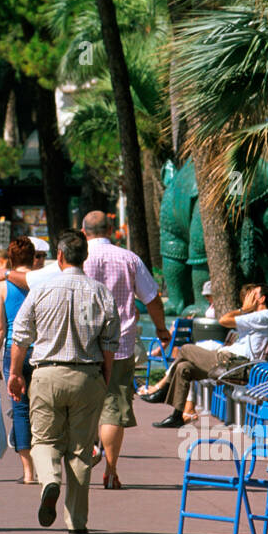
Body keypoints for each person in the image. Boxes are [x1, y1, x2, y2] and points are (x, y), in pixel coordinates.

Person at [7, 231, 117, 534]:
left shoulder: (42, 290)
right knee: (81, 450)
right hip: (87, 374)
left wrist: (15, 373)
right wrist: (104, 377)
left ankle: (50, 478)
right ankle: (76, 520)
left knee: (44, 439)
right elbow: (110, 342)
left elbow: (20, 334)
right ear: (85, 258)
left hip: (46, 374)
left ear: (59, 256)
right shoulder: (101, 293)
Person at [80, 210, 170, 490]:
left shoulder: (77, 259)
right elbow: (152, 298)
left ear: (84, 232)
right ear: (111, 230)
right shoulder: (129, 258)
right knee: (114, 408)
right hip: (120, 345)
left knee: (82, 404)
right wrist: (161, 329)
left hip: (82, 345)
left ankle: (80, 465)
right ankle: (111, 470)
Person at [148, 284, 268, 428]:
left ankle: (163, 387)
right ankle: (177, 416)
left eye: (253, 294)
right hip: (232, 361)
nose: (248, 297)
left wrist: (243, 309)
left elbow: (223, 320)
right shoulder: (259, 317)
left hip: (234, 363)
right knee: (184, 368)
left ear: (262, 299)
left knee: (185, 349)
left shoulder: (261, 317)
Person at [0, 237, 38, 484]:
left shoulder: (2, 287)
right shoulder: (41, 282)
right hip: (41, 351)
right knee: (42, 410)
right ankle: (47, 465)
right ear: (34, 258)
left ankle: (28, 471)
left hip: (12, 351)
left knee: (20, 410)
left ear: (10, 259)